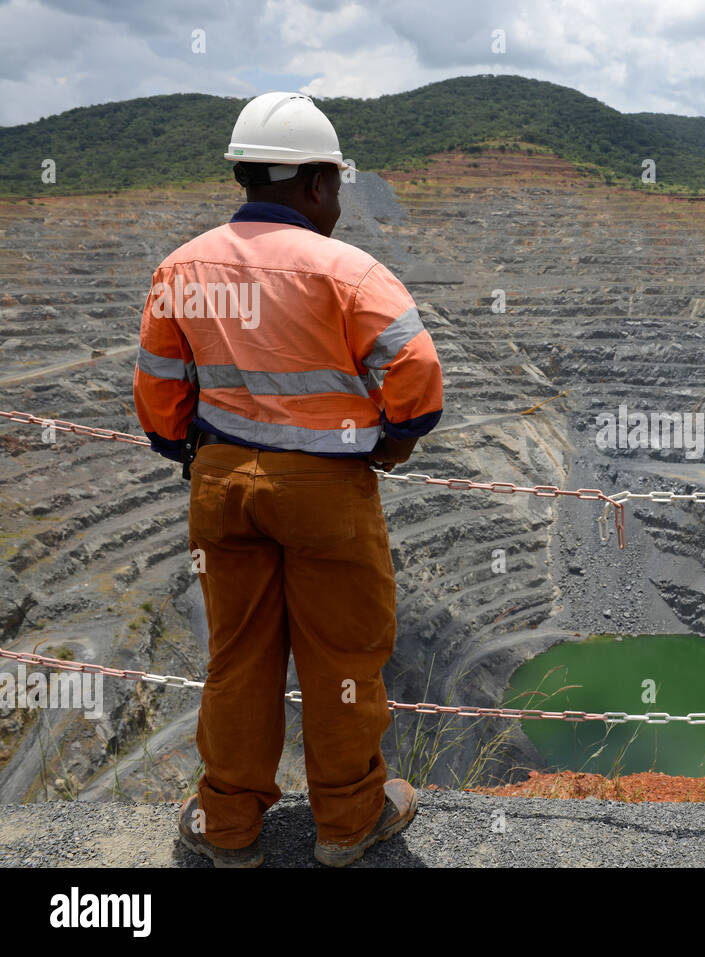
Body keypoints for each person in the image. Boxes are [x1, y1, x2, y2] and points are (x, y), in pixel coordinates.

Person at [132, 91, 443, 867]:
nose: (337, 199)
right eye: (335, 184)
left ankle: (229, 827)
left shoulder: (182, 268)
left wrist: (195, 454)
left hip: (221, 486)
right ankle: (346, 823)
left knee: (238, 657)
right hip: (325, 492)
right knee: (342, 656)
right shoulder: (346, 270)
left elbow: (159, 389)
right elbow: (417, 369)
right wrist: (392, 442)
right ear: (314, 186)